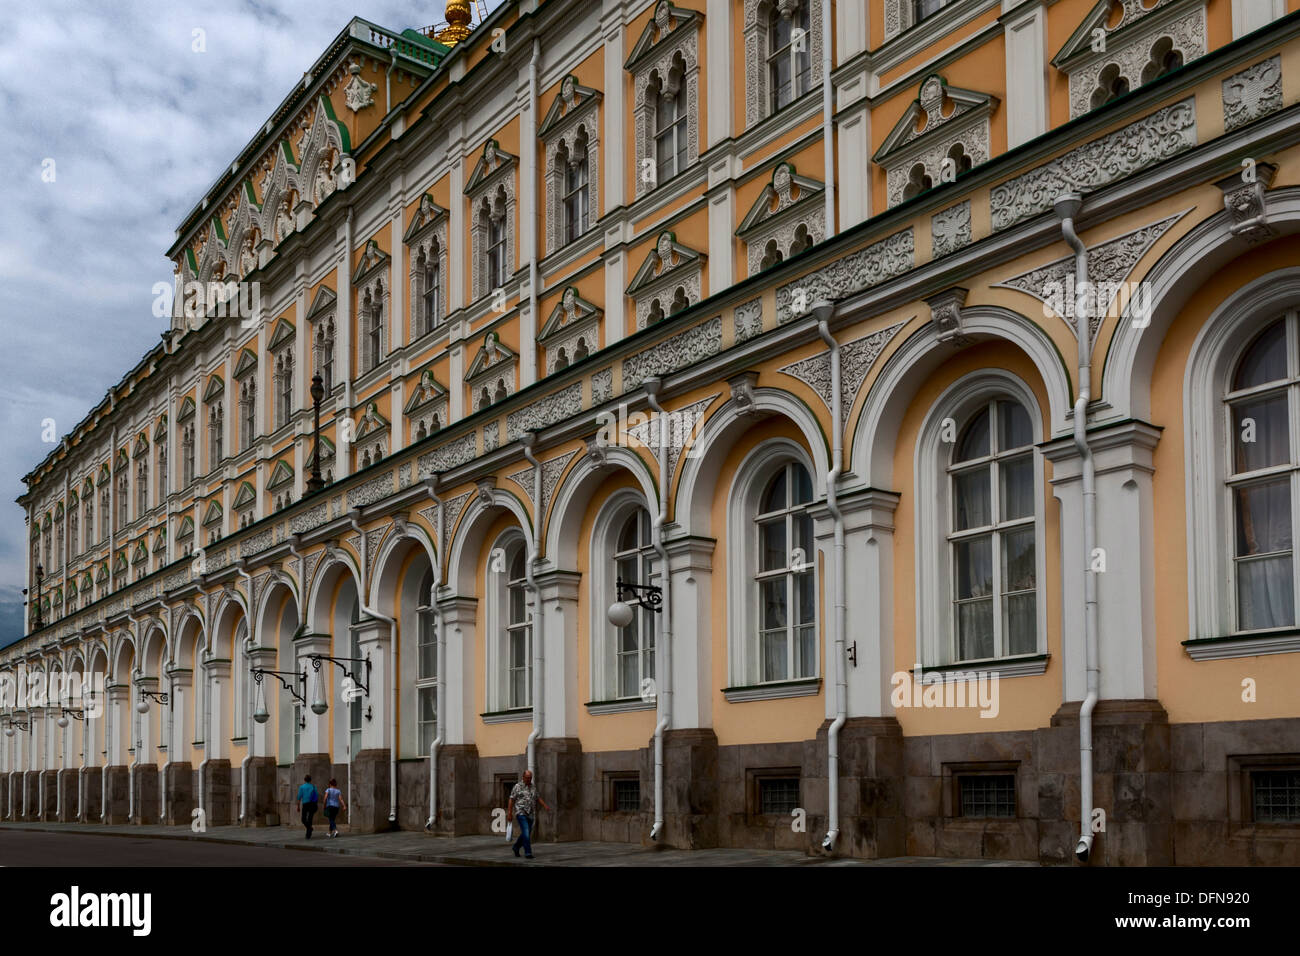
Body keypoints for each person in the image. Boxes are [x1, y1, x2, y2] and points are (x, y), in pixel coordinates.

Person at [506, 769, 550, 859]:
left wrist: (545, 806)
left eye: (530, 778)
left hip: (531, 813)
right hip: (521, 812)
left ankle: (516, 847)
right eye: (527, 778)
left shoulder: (533, 787)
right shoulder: (517, 786)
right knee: (526, 831)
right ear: (523, 777)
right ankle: (528, 852)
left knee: (526, 833)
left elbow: (537, 797)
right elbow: (511, 799)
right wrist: (509, 813)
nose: (529, 779)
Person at [295, 774, 319, 839]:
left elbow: (299, 797)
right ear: (310, 780)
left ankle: (309, 830)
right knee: (310, 819)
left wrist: (298, 806)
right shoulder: (313, 787)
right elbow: (316, 796)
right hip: (312, 804)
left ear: (304, 780)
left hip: (305, 804)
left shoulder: (302, 787)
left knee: (303, 819)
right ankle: (309, 833)